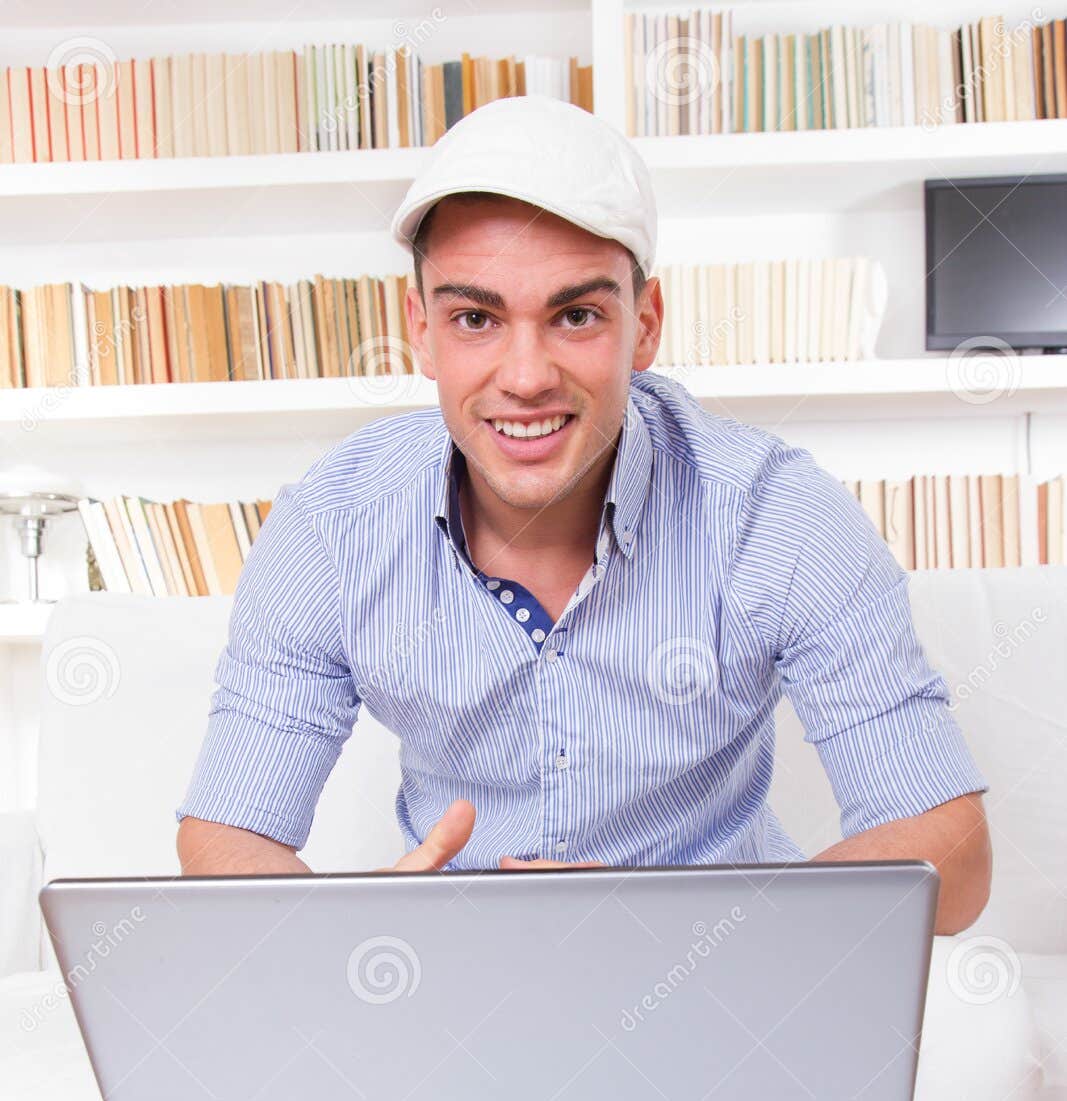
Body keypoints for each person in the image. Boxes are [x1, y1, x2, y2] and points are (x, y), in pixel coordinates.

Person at [176, 94, 991, 935]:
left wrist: (688, 925)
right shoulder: (331, 527)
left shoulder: (772, 514)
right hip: (451, 973)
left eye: (574, 316)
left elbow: (953, 852)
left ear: (644, 326)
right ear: (420, 330)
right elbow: (227, 835)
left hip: (722, 971)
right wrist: (362, 929)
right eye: (475, 318)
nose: (525, 376)